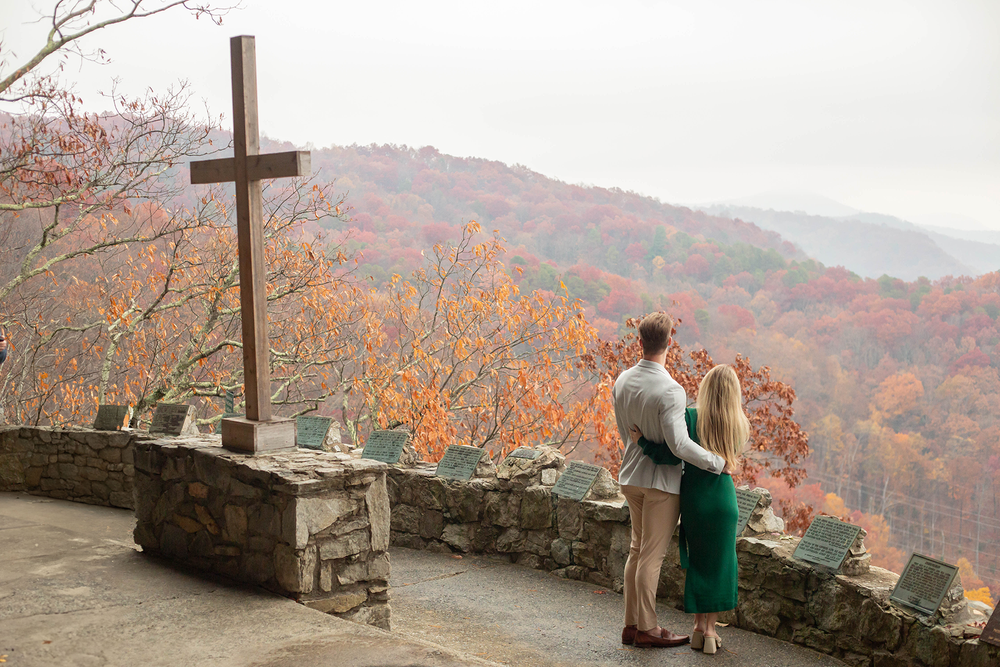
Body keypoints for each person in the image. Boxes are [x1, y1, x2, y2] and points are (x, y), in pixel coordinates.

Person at [613, 312, 730, 649]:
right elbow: (679, 446)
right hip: (660, 483)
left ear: (640, 341)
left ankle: (631, 625)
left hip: (629, 475)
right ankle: (648, 628)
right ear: (669, 344)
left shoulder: (622, 381)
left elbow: (627, 434)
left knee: (636, 550)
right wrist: (715, 462)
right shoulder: (671, 390)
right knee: (651, 556)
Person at [630, 364, 748, 655]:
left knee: (698, 562)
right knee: (720, 564)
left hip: (694, 500)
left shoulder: (691, 417)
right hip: (724, 501)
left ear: (706, 389)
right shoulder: (739, 425)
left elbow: (672, 453)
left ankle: (697, 628)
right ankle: (710, 632)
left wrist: (642, 442)